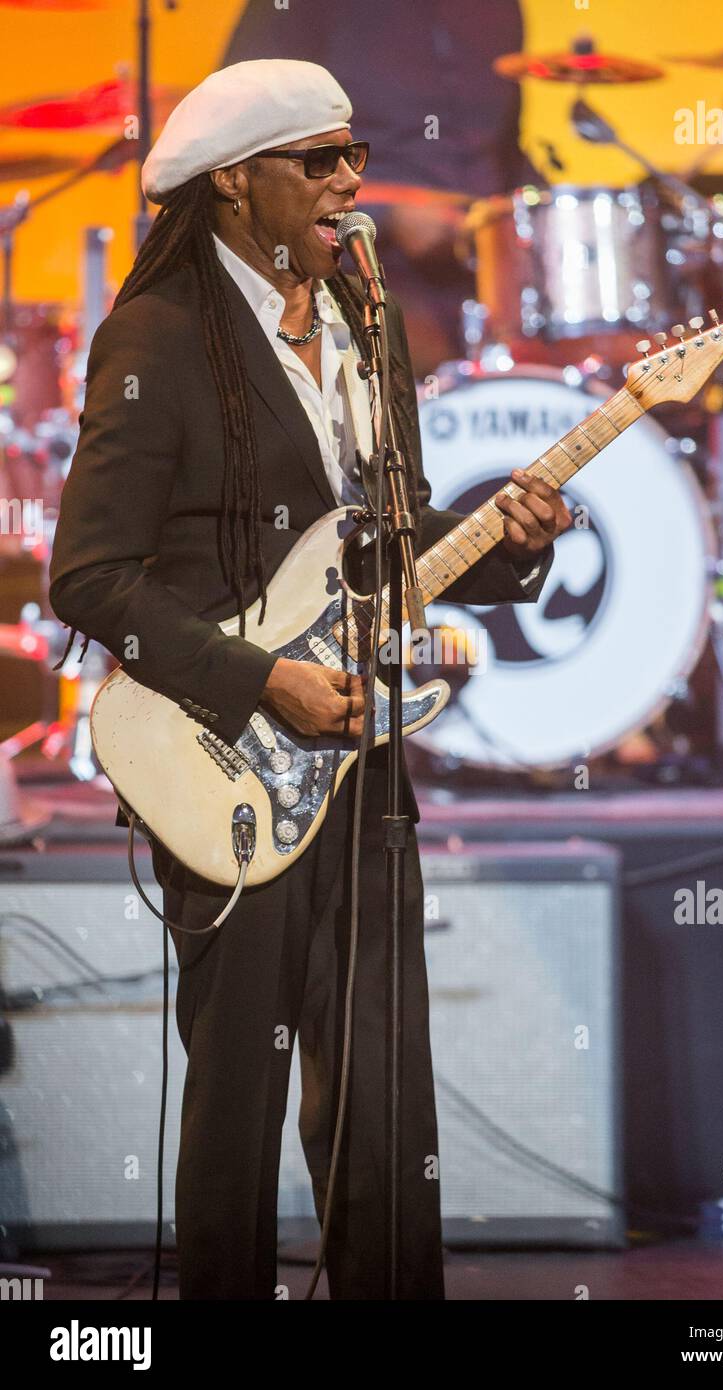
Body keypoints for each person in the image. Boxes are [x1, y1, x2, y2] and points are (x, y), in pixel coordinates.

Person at [49, 59, 570, 1300]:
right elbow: (90, 578)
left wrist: (511, 539)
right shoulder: (159, 335)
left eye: (355, 156)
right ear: (236, 180)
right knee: (235, 1092)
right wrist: (259, 681)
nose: (351, 184)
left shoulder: (360, 316)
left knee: (387, 1087)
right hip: (220, 756)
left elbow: (381, 537)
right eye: (319, 161)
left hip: (359, 757)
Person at [222, 0, 544, 374]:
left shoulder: (499, 10)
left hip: (485, 277)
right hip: (353, 266)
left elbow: (507, 152)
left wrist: (548, 214)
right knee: (410, 345)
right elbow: (251, 154)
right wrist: (388, 217)